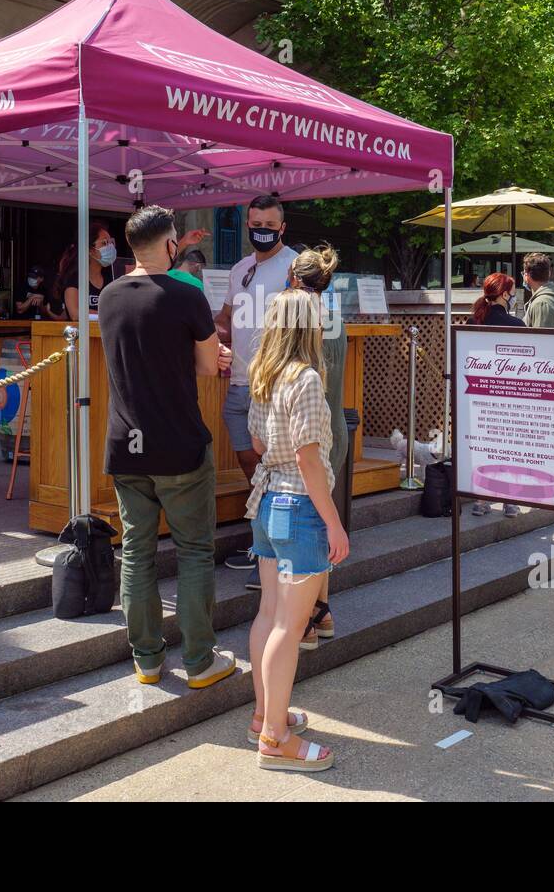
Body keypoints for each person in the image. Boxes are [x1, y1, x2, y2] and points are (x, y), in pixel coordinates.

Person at [97, 205, 236, 689]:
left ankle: (148, 660)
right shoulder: (186, 294)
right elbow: (207, 366)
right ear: (170, 244)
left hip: (126, 443)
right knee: (194, 551)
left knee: (137, 552)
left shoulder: (109, 296)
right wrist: (210, 354)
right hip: (179, 441)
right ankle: (199, 661)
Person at [246, 288, 349, 772]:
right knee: (289, 627)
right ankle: (275, 737)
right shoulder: (306, 379)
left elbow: (257, 441)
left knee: (269, 616)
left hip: (267, 502)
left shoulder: (263, 375)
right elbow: (309, 459)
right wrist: (335, 523)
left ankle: (265, 717)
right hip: (299, 507)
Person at [215, 195, 298, 570]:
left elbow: (311, 324)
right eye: (256, 225)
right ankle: (262, 543)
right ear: (247, 225)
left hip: (274, 385)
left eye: (269, 226)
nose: (262, 231)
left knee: (276, 467)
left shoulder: (294, 266)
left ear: (282, 228)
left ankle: (278, 549)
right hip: (238, 383)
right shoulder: (240, 269)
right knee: (251, 465)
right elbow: (225, 320)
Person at [288, 244, 345, 649]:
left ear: (293, 278)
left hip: (308, 431)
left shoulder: (296, 317)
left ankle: (307, 617)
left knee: (307, 526)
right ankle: (321, 610)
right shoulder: (334, 315)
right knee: (322, 520)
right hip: (333, 426)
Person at [469, 272, 523, 519]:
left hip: (479, 396)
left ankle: (481, 499)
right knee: (510, 449)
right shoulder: (516, 325)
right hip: (509, 397)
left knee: (484, 449)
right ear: (504, 294)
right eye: (512, 291)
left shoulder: (473, 322)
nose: (514, 296)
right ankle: (510, 500)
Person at [521, 252, 554, 328]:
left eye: (524, 273)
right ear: (549, 273)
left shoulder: (542, 303)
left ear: (527, 276)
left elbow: (541, 335)